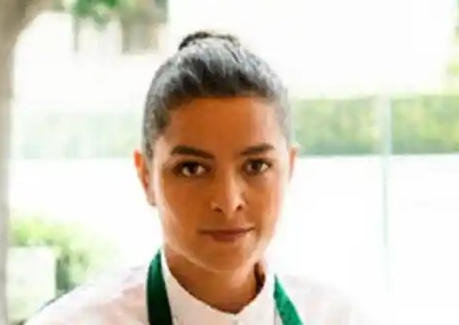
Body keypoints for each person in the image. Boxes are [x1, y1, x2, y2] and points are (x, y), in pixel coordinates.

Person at [28, 30, 373, 324]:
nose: (227, 201)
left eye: (256, 166)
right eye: (192, 168)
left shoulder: (339, 317)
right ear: (145, 175)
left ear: (290, 168)